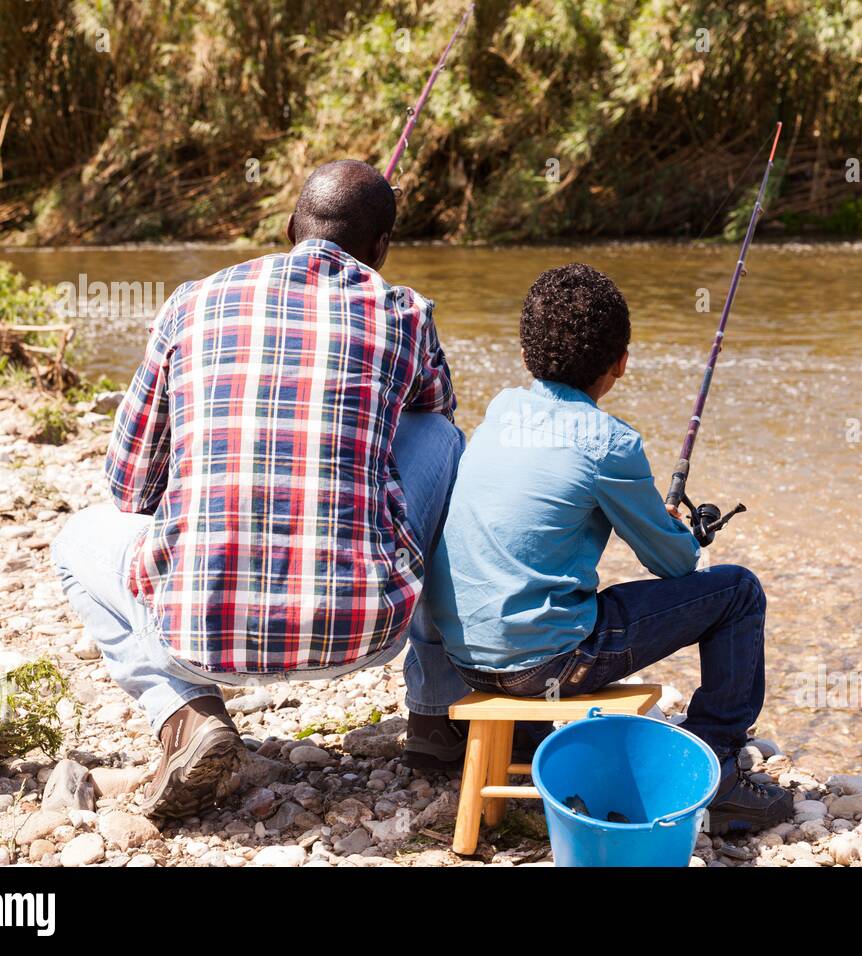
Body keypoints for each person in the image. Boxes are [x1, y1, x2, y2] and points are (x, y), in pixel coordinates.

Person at [51, 160, 471, 819]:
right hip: (367, 631)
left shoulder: (190, 302)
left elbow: (128, 487)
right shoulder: (404, 311)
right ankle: (434, 717)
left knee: (76, 540)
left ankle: (186, 713)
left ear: (287, 229)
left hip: (190, 637)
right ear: (382, 249)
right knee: (444, 441)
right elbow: (435, 413)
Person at [428, 263, 793, 833]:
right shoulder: (611, 443)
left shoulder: (502, 409)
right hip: (545, 664)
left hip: (468, 658)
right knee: (739, 592)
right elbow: (672, 564)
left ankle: (531, 740)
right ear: (620, 363)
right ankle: (718, 768)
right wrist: (678, 532)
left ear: (527, 356)